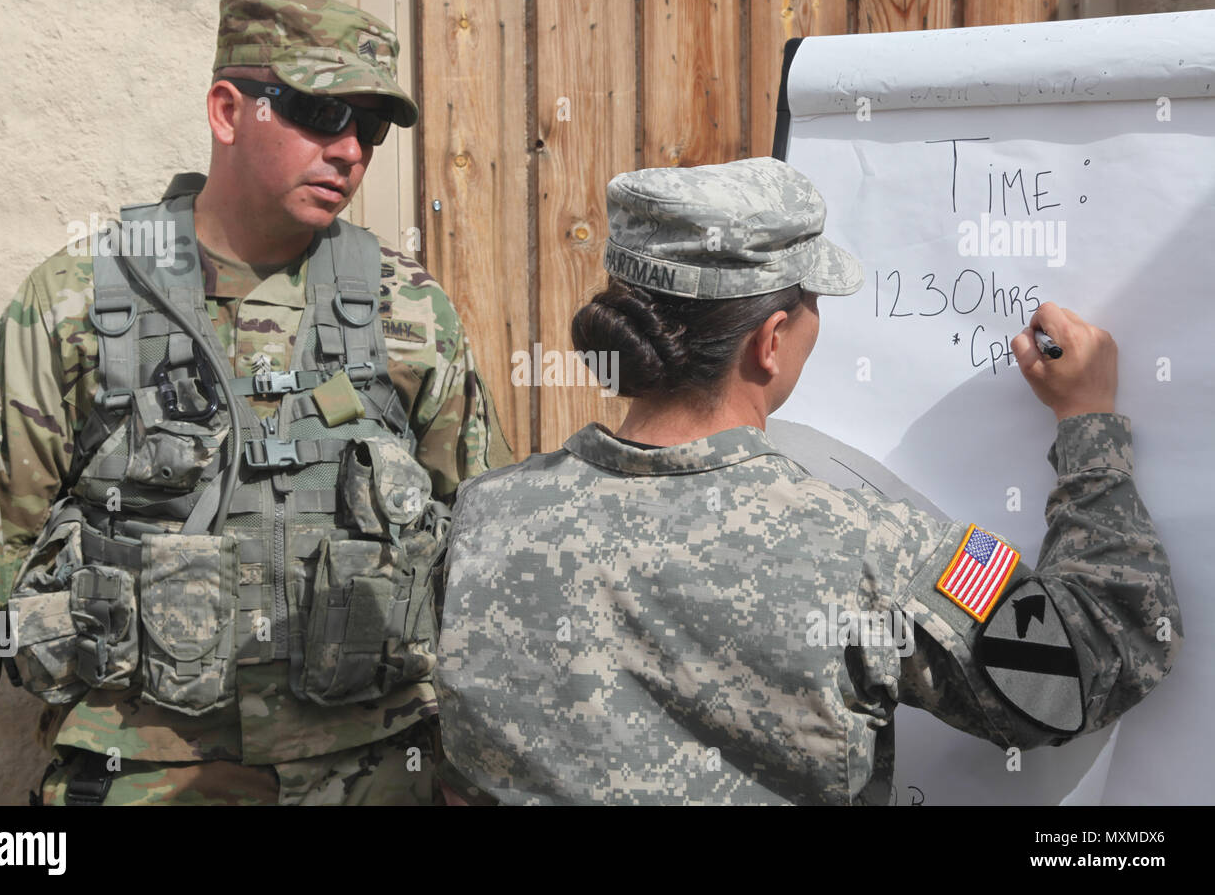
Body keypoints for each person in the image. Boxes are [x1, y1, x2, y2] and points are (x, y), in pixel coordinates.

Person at [0, 0, 511, 806]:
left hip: (375, 775)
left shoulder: (407, 308)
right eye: (321, 110)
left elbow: (488, 546)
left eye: (368, 127)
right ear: (229, 111)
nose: (349, 150)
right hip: (140, 780)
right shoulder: (78, 302)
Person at [433, 156, 1182, 805]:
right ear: (770, 342)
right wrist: (1089, 425)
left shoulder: (483, 519)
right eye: (813, 303)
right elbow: (1091, 661)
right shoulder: (867, 552)